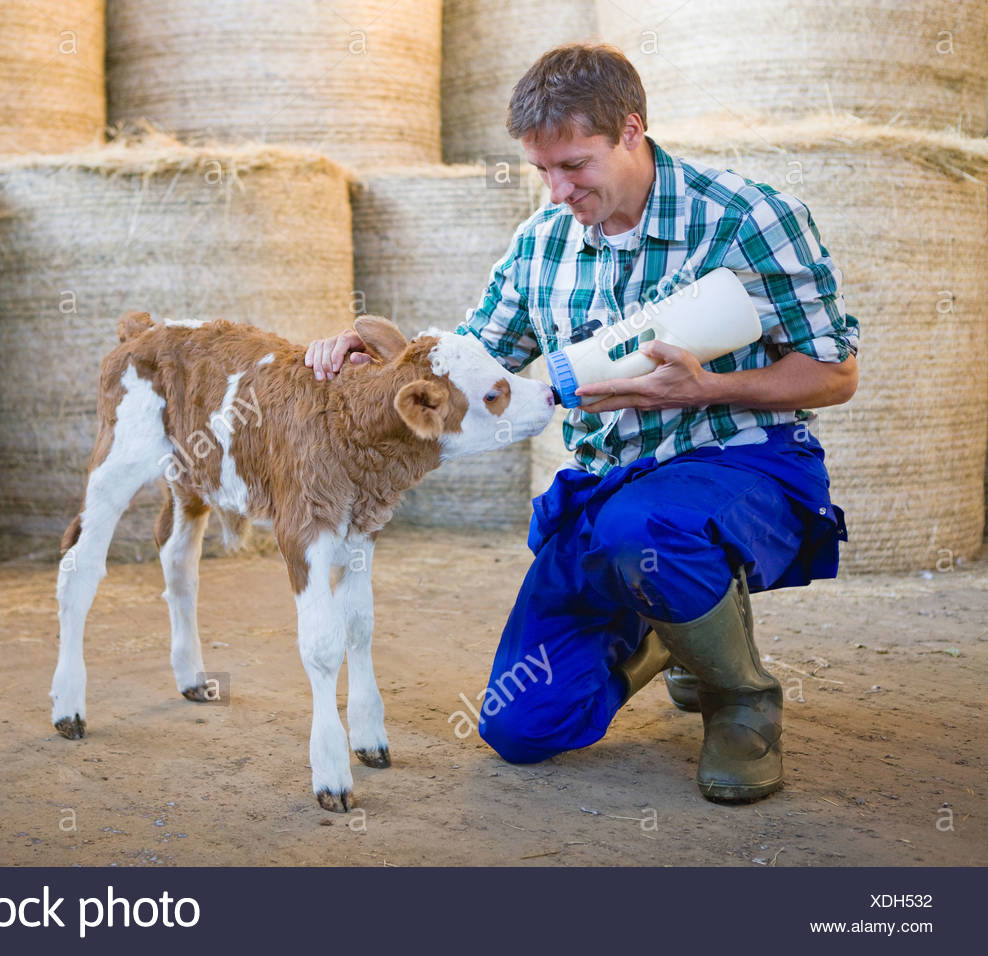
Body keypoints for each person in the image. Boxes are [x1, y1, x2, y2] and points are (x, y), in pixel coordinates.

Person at [304, 42, 858, 803]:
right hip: (607, 493)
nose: (557, 189)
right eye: (541, 170)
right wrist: (375, 349)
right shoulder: (541, 243)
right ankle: (671, 633)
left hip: (740, 463)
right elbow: (476, 360)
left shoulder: (747, 219)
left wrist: (703, 388)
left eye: (574, 166)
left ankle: (742, 701)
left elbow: (835, 372)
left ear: (632, 130)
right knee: (521, 727)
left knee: (645, 528)